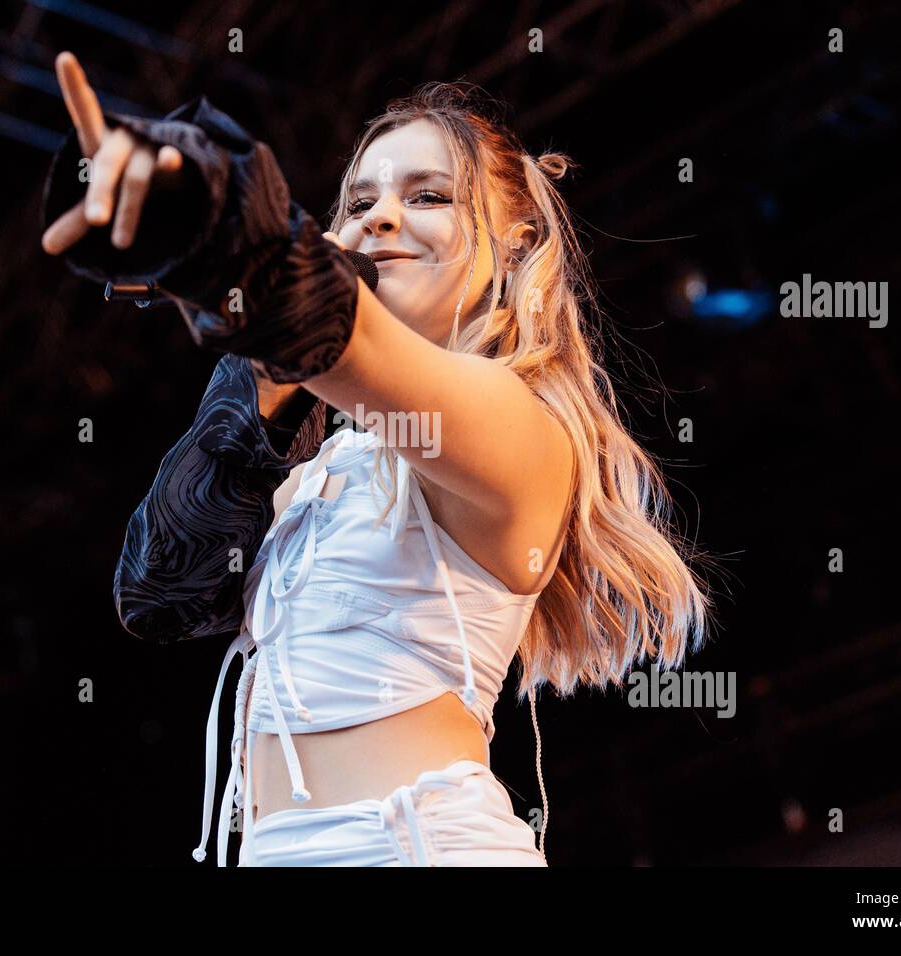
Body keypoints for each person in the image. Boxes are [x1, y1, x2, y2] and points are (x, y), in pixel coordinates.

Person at [41, 51, 715, 866]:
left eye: (428, 195)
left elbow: (337, 338)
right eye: (358, 203)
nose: (381, 218)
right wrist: (259, 364)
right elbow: (158, 590)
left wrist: (207, 223)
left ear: (514, 243)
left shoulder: (522, 423)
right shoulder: (321, 473)